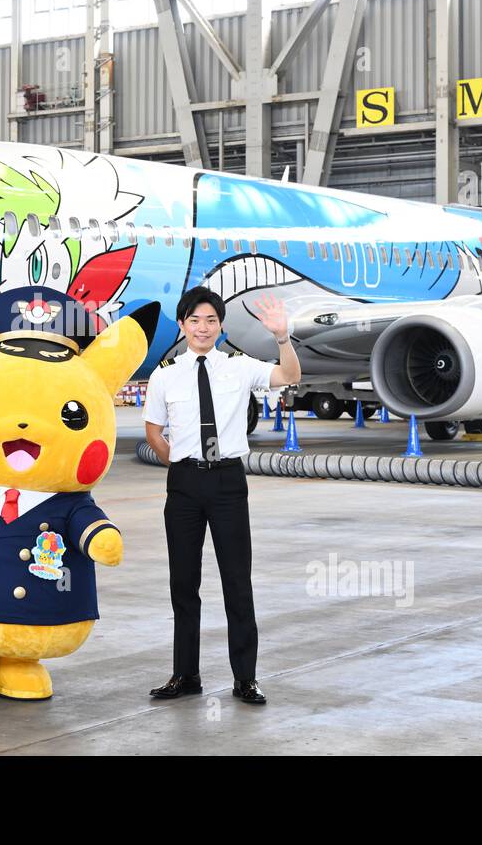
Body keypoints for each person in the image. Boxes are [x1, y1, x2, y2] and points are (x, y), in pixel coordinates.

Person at [142, 285, 301, 705]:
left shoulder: (239, 367)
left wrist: (282, 338)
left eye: (211, 320)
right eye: (194, 320)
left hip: (228, 483)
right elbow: (153, 429)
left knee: (236, 581)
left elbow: (289, 377)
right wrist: (172, 458)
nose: (202, 327)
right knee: (183, 583)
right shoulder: (165, 375)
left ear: (220, 325)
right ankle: (185, 674)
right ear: (182, 325)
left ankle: (245, 678)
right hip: (184, 485)